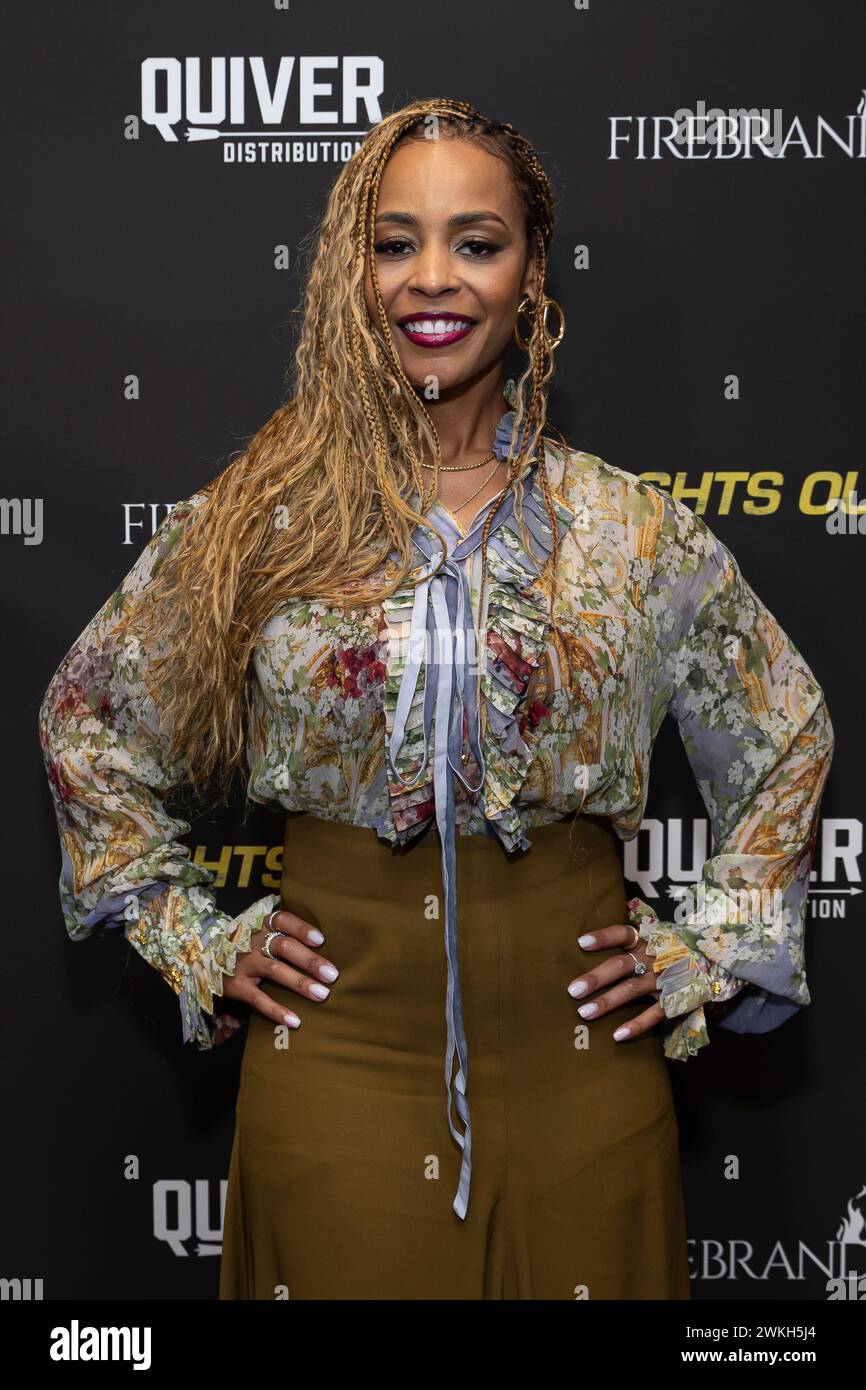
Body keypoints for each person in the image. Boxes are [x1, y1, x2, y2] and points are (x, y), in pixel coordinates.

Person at [38, 97, 834, 1301]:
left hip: (585, 1077)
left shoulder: (628, 530)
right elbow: (85, 717)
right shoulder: (260, 523)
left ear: (531, 274)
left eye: (475, 240)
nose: (432, 280)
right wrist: (193, 936)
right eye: (393, 240)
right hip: (336, 1067)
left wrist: (702, 953)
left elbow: (784, 734)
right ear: (349, 273)